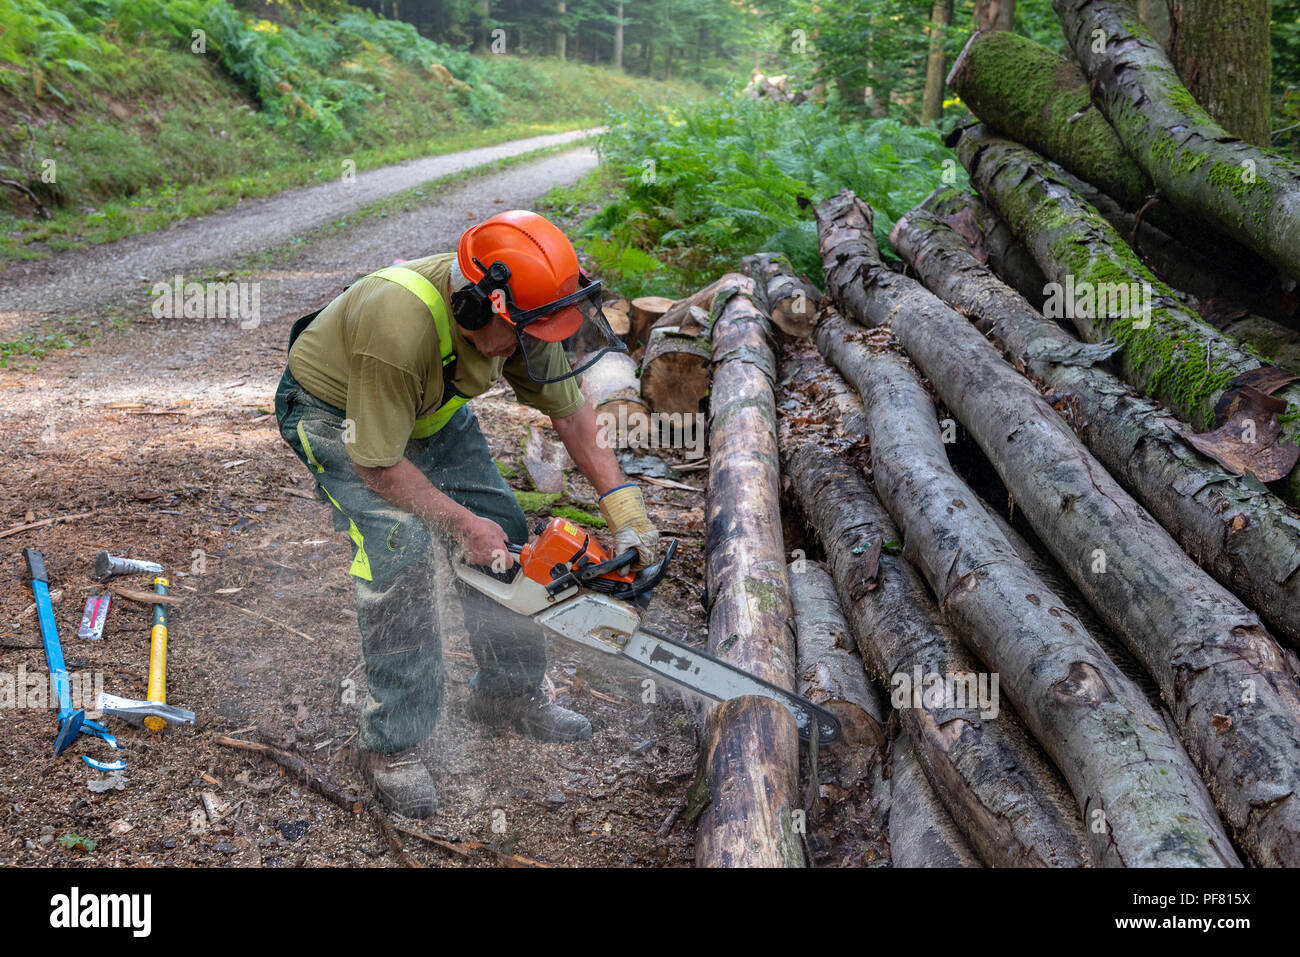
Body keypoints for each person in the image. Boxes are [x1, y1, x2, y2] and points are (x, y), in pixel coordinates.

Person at [273, 210, 659, 818]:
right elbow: (376, 463)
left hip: (430, 409)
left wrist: (627, 510)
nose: (538, 344)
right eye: (530, 333)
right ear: (478, 309)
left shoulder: (526, 316)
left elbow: (572, 415)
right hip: (336, 413)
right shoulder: (397, 326)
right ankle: (390, 744)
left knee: (502, 531)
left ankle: (509, 697)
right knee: (399, 548)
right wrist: (457, 524)